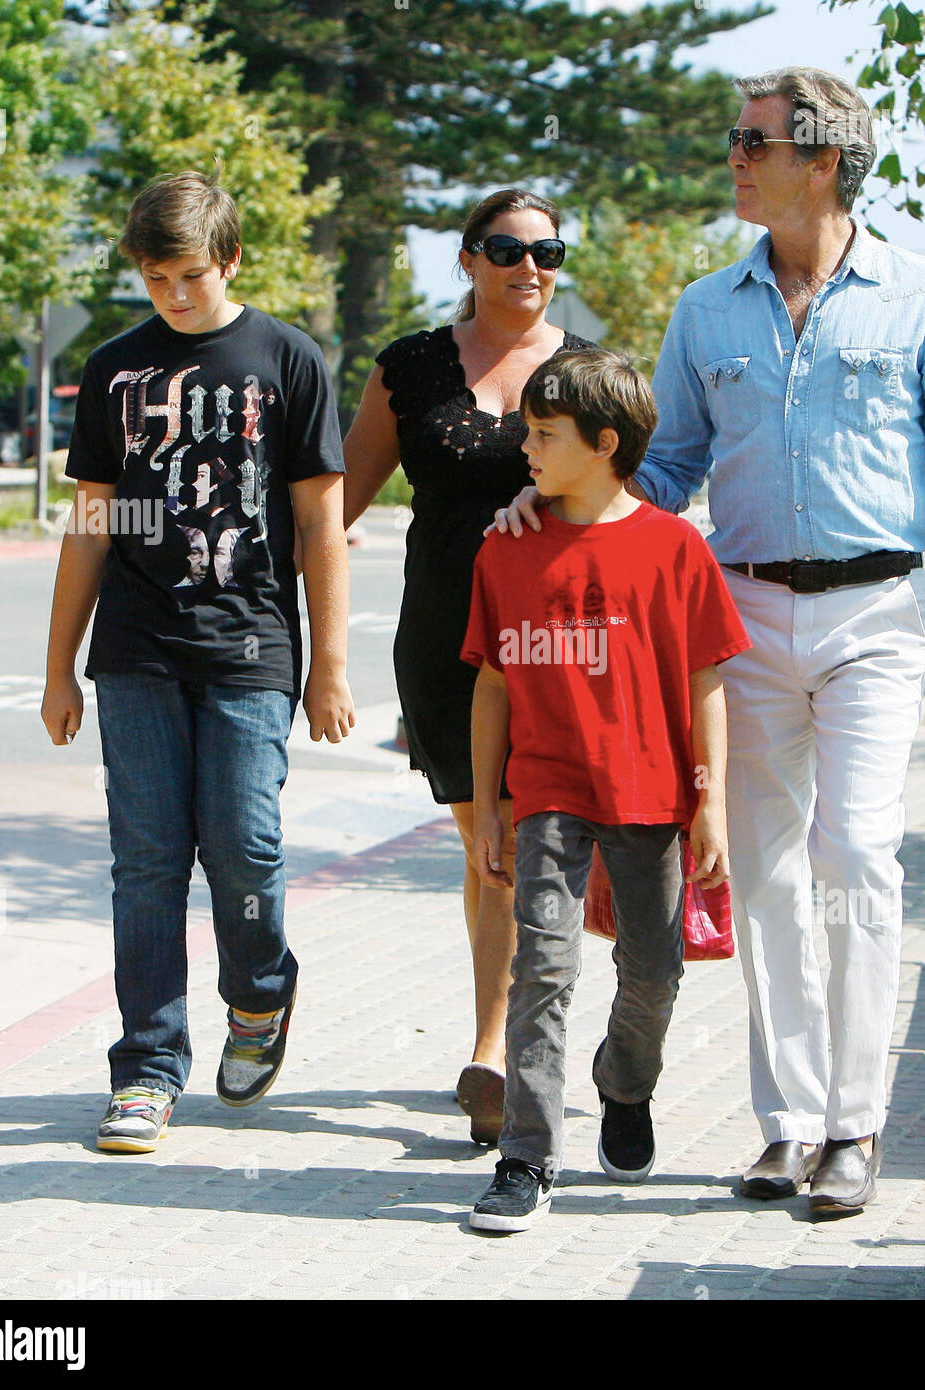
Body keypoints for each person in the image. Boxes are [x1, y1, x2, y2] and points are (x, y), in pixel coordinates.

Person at [495, 67, 925, 1218]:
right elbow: (665, 472)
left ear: (819, 160)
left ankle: (854, 1125)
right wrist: (557, 501)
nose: (731, 154)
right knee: (762, 871)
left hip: (876, 615)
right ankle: (785, 1127)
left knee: (856, 859)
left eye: (752, 140)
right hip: (740, 616)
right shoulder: (704, 310)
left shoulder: (924, 297)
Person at [41, 167, 353, 1153]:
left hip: (251, 644)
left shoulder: (286, 359)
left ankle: (259, 998)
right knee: (145, 862)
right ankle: (145, 1069)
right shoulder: (113, 367)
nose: (174, 294)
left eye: (189, 275)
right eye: (155, 277)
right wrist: (58, 667)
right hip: (133, 648)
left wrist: (330, 663)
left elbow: (318, 521)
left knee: (243, 843)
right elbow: (90, 524)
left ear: (230, 259)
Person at [463, 348, 749, 1231]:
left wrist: (714, 804)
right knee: (542, 966)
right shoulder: (507, 549)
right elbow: (494, 683)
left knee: (655, 972)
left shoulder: (675, 549)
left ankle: (625, 1088)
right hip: (546, 789)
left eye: (545, 435)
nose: (527, 450)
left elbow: (707, 679)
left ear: (606, 443)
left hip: (653, 793)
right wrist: (487, 807)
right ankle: (527, 1155)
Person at [340, 189, 594, 1146]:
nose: (528, 266)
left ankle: (500, 1048)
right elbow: (342, 500)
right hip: (447, 640)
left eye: (547, 251)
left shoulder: (588, 372)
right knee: (486, 843)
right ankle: (504, 1043)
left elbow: (626, 505)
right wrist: (279, 613)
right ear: (467, 260)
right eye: (506, 249)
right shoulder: (409, 367)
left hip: (561, 641)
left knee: (532, 846)